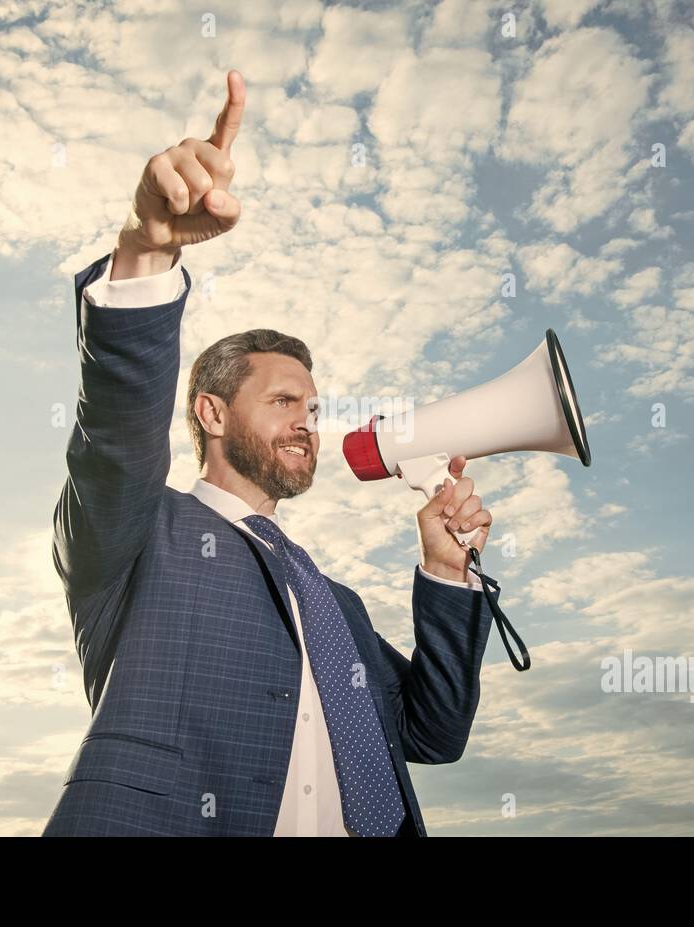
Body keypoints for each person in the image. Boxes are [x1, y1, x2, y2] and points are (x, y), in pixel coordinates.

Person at [42, 70, 500, 837]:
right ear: (211, 412)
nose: (306, 424)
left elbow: (434, 734)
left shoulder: (336, 607)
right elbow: (114, 437)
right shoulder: (137, 532)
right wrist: (147, 256)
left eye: (313, 409)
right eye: (283, 401)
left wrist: (448, 575)